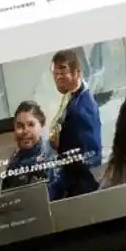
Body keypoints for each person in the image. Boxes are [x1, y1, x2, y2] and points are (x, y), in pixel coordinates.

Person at [46, 49, 102, 198]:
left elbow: (92, 155)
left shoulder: (82, 107)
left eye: (63, 73)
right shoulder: (71, 96)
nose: (58, 79)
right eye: (55, 74)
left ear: (77, 72)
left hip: (80, 187)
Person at [1, 101, 59, 198]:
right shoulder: (16, 159)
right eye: (19, 126)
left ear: (41, 125)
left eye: (31, 125)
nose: (25, 131)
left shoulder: (51, 158)